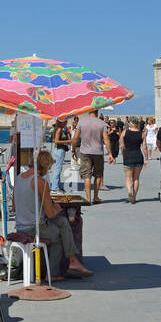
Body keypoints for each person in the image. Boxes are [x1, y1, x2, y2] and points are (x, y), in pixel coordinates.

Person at [14, 150, 93, 278]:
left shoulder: (18, 179)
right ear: (45, 166)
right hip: (33, 228)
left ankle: (73, 261)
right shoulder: (41, 182)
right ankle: (55, 272)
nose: (48, 170)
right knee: (59, 235)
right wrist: (57, 209)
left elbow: (14, 206)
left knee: (62, 222)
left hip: (20, 225)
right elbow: (50, 214)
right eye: (49, 167)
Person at [75, 108, 108, 205]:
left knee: (86, 175)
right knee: (98, 175)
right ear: (97, 112)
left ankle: (88, 199)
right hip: (98, 152)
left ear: (88, 112)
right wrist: (110, 153)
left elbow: (75, 138)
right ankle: (96, 197)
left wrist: (73, 149)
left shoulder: (81, 121)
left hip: (85, 152)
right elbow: (106, 139)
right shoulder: (101, 123)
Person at [121, 116, 146, 204]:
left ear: (130, 123)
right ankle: (134, 197)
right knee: (136, 178)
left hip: (128, 156)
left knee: (128, 178)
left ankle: (129, 192)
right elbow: (144, 147)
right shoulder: (141, 134)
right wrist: (146, 158)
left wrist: (123, 154)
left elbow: (122, 146)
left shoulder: (124, 133)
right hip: (138, 156)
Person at [49, 117, 70, 192]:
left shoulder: (58, 128)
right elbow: (56, 141)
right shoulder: (59, 129)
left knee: (58, 168)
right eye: (65, 121)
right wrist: (67, 141)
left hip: (59, 149)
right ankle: (55, 187)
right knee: (58, 168)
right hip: (59, 149)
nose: (66, 122)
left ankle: (57, 185)